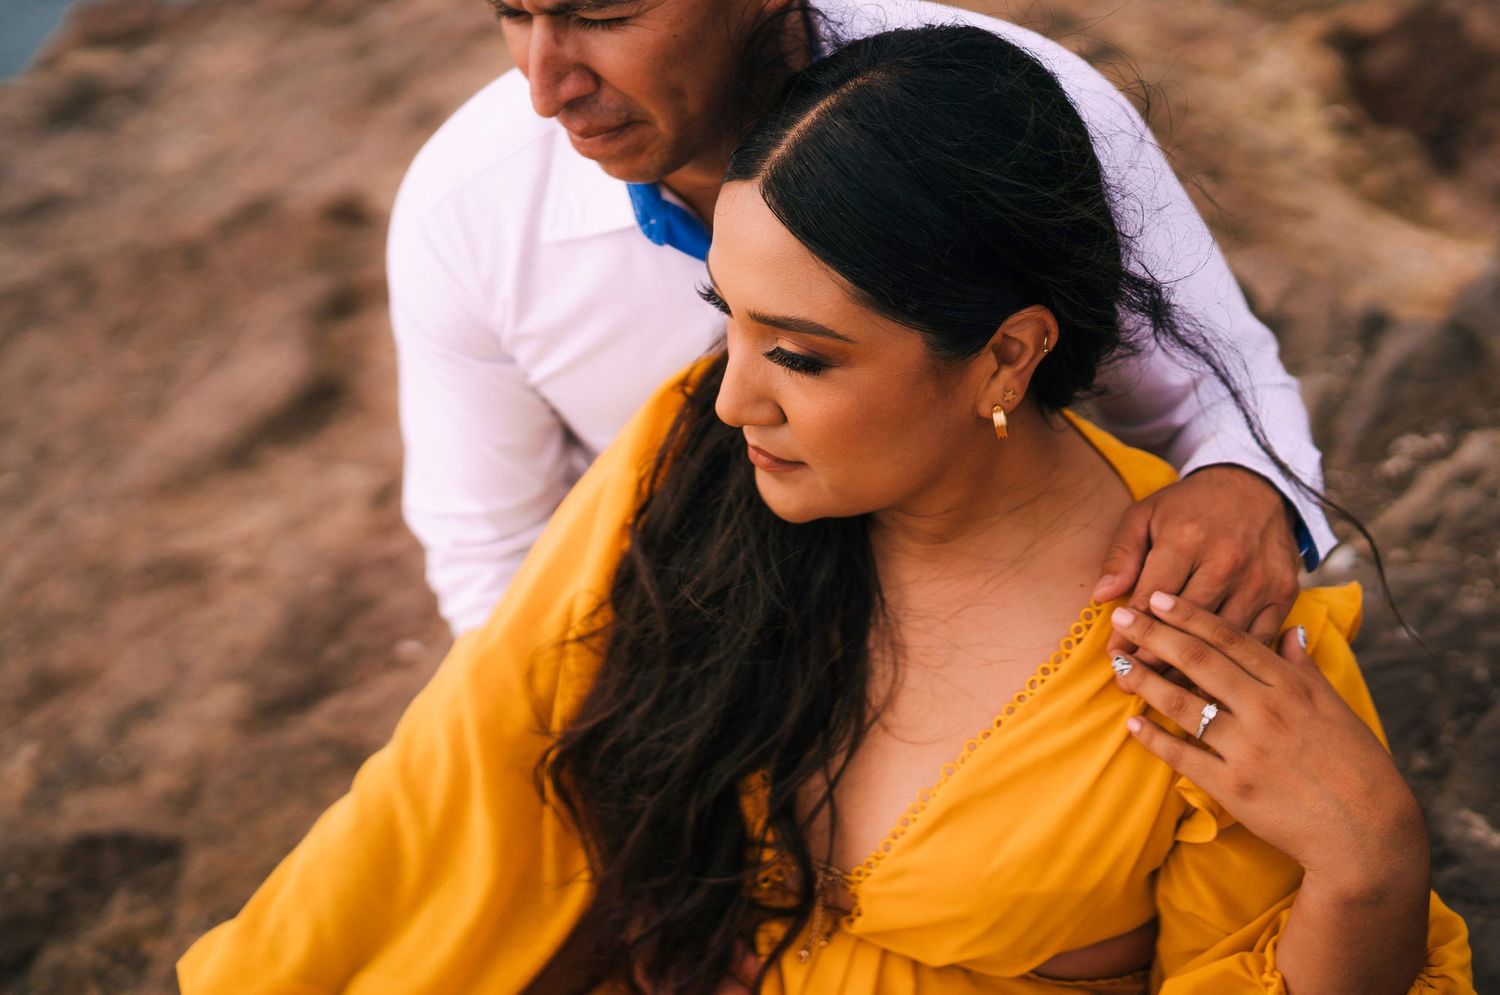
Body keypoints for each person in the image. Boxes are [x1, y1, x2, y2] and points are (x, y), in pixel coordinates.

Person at [180, 25, 1471, 994]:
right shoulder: (686, 464)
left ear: (1008, 355)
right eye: (725, 319)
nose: (732, 395)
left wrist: (1371, 867)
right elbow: (458, 776)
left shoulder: (1196, 646)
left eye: (799, 354)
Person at [391, 0, 1334, 659]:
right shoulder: (467, 211)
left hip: (1055, 604)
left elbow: (1212, 387)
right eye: (511, 12)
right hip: (720, 662)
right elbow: (495, 561)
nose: (546, 87)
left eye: (601, 14)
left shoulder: (1007, 111)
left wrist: (1247, 484)